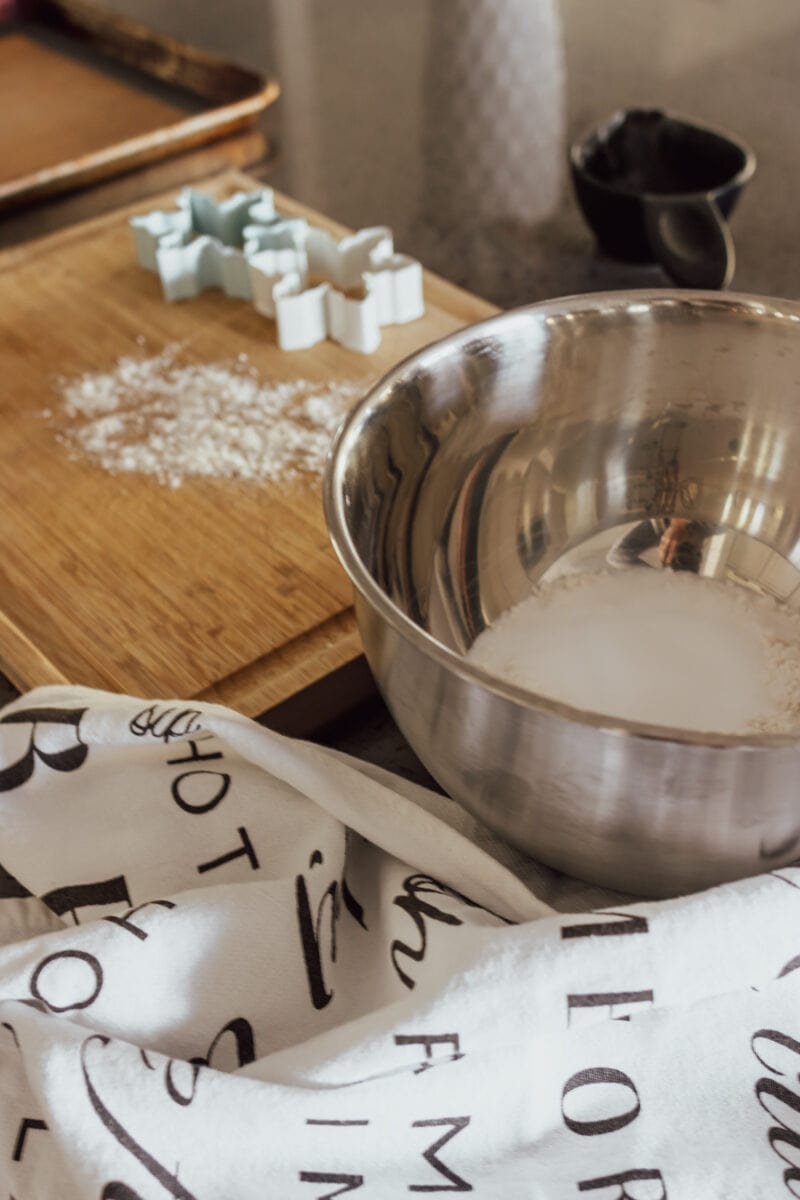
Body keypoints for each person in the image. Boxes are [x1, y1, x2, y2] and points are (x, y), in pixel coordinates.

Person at [607, 517, 710, 571]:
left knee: (618, 556)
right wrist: (679, 525)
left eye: (668, 552)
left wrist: (660, 578)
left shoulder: (659, 528)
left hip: (661, 520)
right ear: (698, 548)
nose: (671, 542)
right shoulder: (714, 524)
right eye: (685, 547)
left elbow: (618, 556)